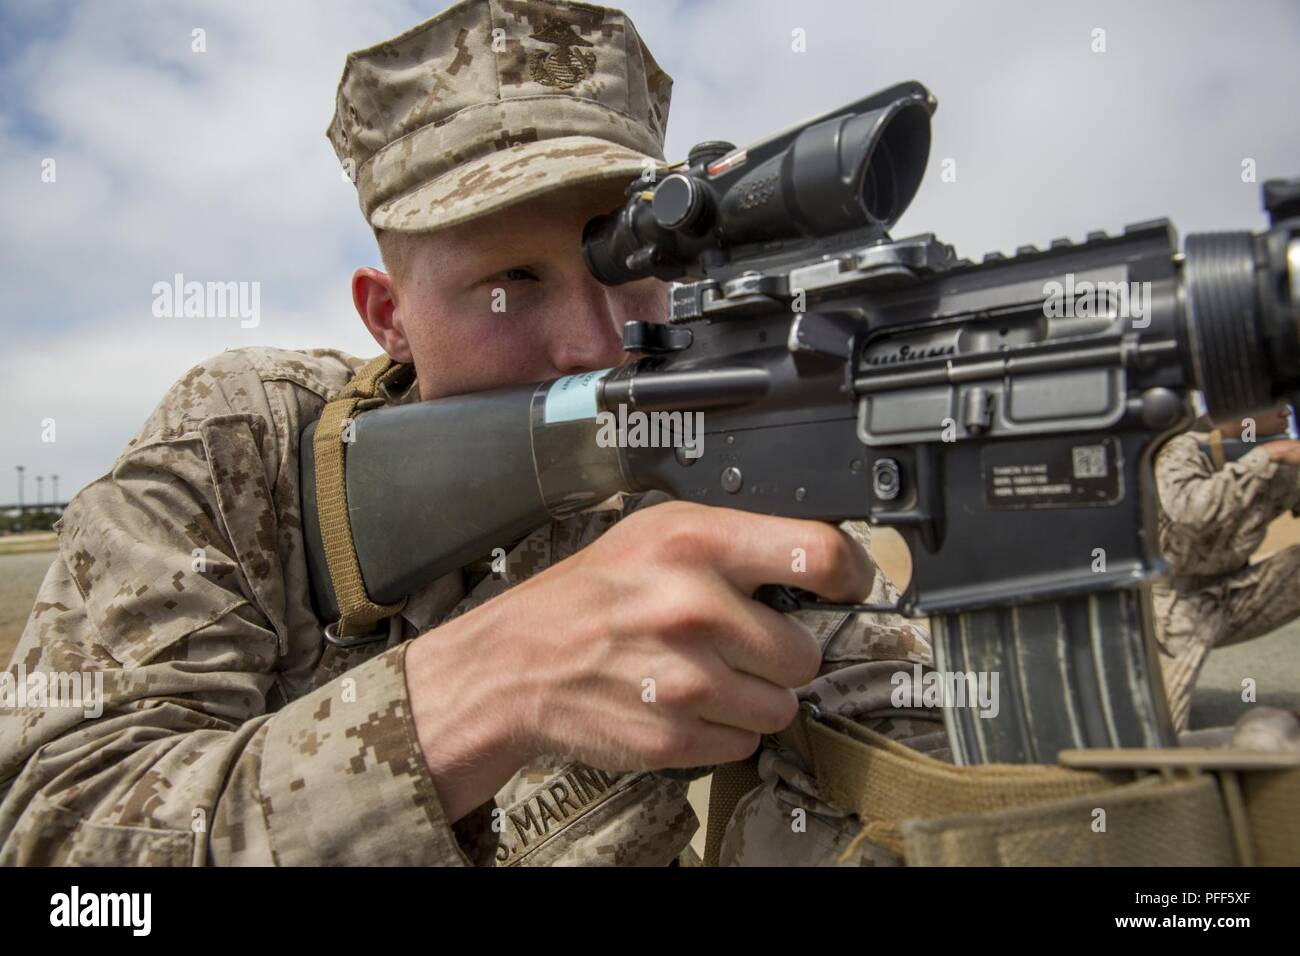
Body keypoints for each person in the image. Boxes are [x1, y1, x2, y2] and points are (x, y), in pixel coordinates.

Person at [0, 0, 938, 866]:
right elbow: (61, 844)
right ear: (388, 316)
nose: (594, 343)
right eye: (513, 282)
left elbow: (901, 759)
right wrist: (485, 689)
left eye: (631, 268)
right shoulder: (243, 444)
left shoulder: (714, 451)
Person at [1152, 404, 1300, 732]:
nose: (1287, 415)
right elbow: (1192, 514)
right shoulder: (1180, 450)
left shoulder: (1278, 460)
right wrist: (1263, 459)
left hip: (1235, 594)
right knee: (1160, 735)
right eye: (1277, 405)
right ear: (1242, 411)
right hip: (1175, 611)